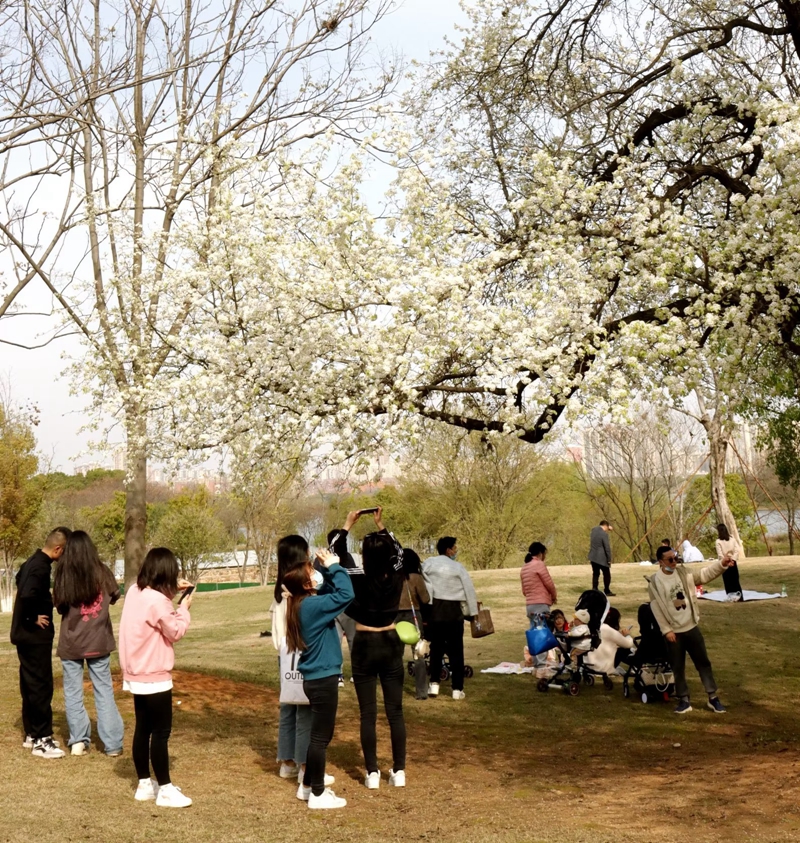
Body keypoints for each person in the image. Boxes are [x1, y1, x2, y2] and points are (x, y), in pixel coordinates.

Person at [118, 548, 193, 808]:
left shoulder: (134, 592)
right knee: (161, 732)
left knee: (143, 728)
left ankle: (144, 784)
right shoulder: (159, 602)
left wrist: (172, 592)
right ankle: (166, 789)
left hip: (135, 672)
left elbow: (155, 608)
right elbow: (174, 630)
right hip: (155, 674)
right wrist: (183, 608)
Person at [285, 543, 354, 810]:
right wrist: (334, 566)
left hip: (315, 678)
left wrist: (323, 567)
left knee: (319, 735)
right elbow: (346, 594)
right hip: (323, 680)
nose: (314, 572)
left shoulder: (304, 603)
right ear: (305, 585)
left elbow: (330, 591)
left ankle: (306, 788)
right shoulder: (312, 606)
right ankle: (317, 793)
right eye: (310, 571)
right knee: (320, 738)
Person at [344, 508, 408, 789]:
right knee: (395, 712)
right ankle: (399, 771)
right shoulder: (395, 575)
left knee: (368, 712)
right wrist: (382, 525)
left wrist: (348, 524)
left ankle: (372, 773)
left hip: (365, 643)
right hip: (391, 641)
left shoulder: (357, 575)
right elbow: (400, 552)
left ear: (365, 556)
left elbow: (335, 551)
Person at [52, 530, 124, 757]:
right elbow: (115, 595)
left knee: (73, 692)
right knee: (103, 691)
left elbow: (60, 607)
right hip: (99, 642)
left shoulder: (63, 574)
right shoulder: (102, 571)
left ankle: (78, 742)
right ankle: (112, 745)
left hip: (71, 643)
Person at [271, 535, 334, 789]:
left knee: (289, 708)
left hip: (284, 656)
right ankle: (305, 767)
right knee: (306, 711)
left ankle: (287, 762)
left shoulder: (280, 591)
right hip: (303, 654)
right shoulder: (300, 592)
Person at [647, 545, 733, 715]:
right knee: (677, 667)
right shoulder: (655, 582)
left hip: (691, 626)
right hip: (674, 632)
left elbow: (704, 574)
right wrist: (666, 630)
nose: (674, 562)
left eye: (676, 558)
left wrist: (721, 564)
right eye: (670, 559)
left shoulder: (683, 572)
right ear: (660, 562)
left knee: (703, 663)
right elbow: (656, 608)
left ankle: (713, 697)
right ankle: (684, 700)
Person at [10, 526, 71, 759]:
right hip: (34, 637)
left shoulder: (30, 562)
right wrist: (32, 617)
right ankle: (41, 739)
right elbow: (26, 594)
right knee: (41, 685)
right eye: (64, 552)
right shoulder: (41, 567)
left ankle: (30, 733)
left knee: (29, 684)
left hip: (23, 636)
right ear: (58, 549)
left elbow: (19, 581)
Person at [422, 536, 479, 700]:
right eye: (454, 548)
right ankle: (457, 688)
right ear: (448, 550)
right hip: (454, 612)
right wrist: (473, 611)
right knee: (456, 650)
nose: (456, 551)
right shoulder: (458, 567)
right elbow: (469, 589)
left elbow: (422, 577)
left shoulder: (430, 563)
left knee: (436, 649)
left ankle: (434, 684)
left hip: (435, 610)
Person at [327, 518, 359, 684]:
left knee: (335, 642)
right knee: (353, 641)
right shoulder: (347, 559)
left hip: (331, 606)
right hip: (348, 606)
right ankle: (355, 673)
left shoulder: (322, 559)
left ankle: (338, 674)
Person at [395, 548, 430, 700]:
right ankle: (421, 692)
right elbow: (426, 599)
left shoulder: (393, 576)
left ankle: (394, 688)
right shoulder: (416, 578)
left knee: (396, 655)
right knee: (418, 654)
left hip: (395, 616)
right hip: (413, 616)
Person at [583, 607, 634, 675]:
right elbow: (628, 644)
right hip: (603, 667)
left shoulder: (594, 626)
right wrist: (627, 635)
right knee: (624, 650)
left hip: (589, 664)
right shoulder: (609, 630)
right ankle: (637, 667)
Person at [520, 542, 557, 630]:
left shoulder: (524, 567)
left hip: (530, 606)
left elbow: (524, 591)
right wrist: (554, 596)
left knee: (535, 633)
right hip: (541, 604)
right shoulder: (539, 564)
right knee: (543, 633)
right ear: (541, 553)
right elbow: (549, 584)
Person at [715, 524, 743, 599]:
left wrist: (727, 560)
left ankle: (731, 596)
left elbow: (720, 554)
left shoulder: (718, 541)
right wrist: (733, 559)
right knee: (735, 579)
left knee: (728, 580)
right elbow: (737, 550)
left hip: (725, 562)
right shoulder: (732, 539)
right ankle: (739, 596)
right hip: (731, 561)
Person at [588, 520, 614, 596]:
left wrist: (608, 527)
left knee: (596, 574)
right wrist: (609, 559)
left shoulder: (593, 530)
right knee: (606, 574)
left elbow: (599, 528)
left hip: (593, 556)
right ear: (606, 526)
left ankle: (594, 589)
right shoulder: (604, 534)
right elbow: (607, 548)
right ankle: (607, 590)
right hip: (602, 558)